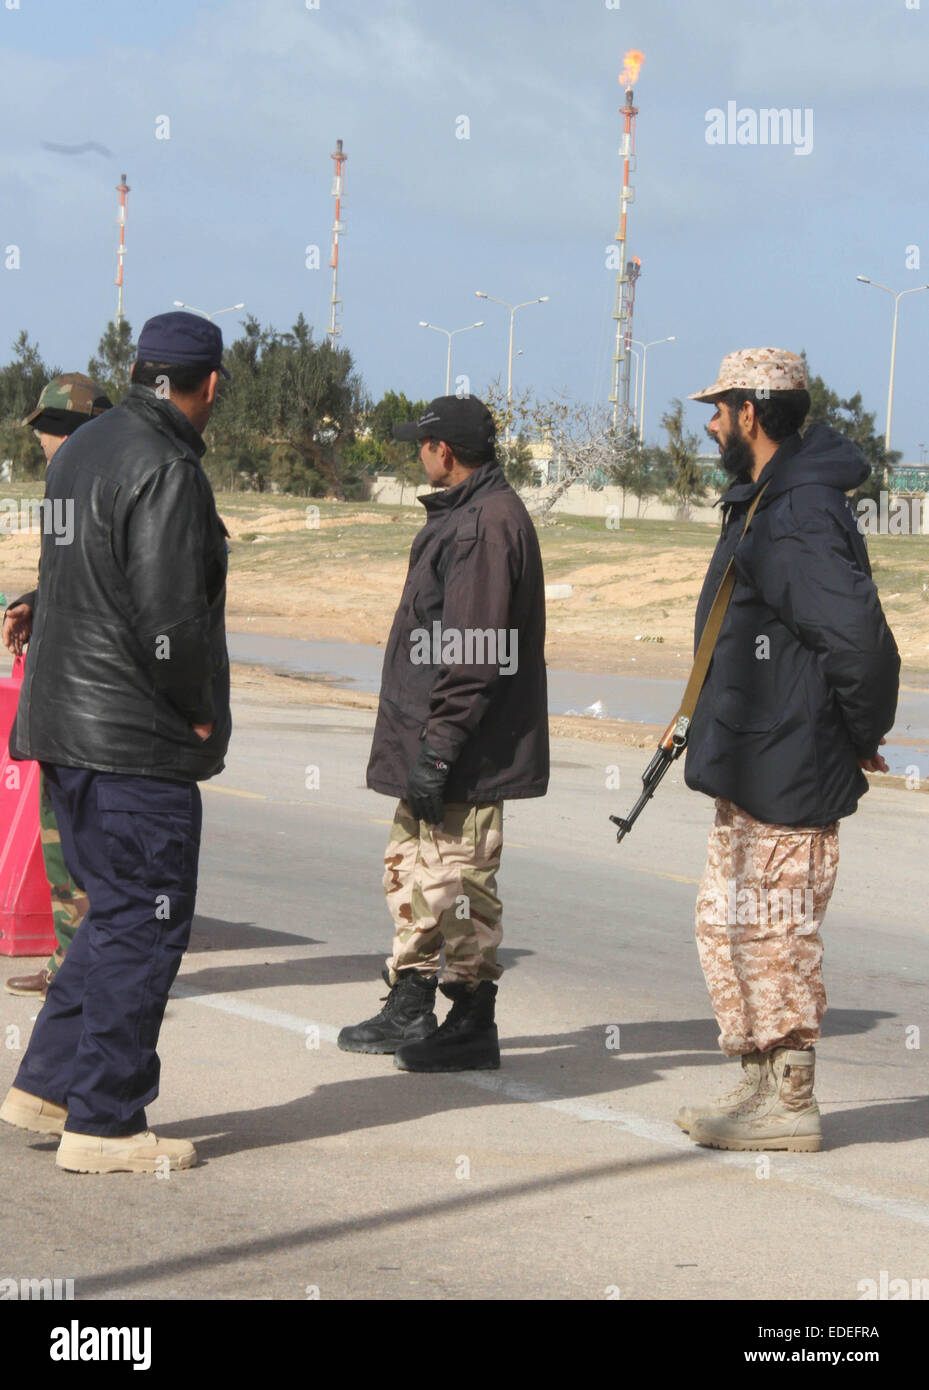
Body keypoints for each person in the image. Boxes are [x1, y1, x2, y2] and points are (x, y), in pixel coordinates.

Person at [0, 311, 232, 1173]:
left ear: (139, 372)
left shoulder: (83, 451)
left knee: (108, 917)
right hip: (134, 739)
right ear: (206, 386)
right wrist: (195, 707)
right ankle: (107, 1123)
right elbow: (167, 611)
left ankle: (48, 1087)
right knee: (145, 923)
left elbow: (76, 574)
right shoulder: (168, 467)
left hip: (64, 726)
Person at [678, 348, 899, 1152]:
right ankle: (754, 1083)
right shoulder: (765, 501)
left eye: (718, 407)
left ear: (752, 412)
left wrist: (859, 730)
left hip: (788, 761)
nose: (708, 423)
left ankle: (792, 1101)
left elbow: (860, 644)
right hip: (751, 754)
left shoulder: (799, 511)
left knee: (774, 927)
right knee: (725, 924)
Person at [338, 396, 549, 1071]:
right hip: (439, 739)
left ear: (444, 452)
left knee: (458, 889)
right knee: (415, 875)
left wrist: (439, 747)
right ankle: (409, 1002)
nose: (417, 455)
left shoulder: (483, 527)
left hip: (464, 748)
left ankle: (468, 1021)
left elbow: (474, 653)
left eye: (421, 446)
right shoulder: (468, 514)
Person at [3, 374, 112, 999]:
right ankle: (77, 963)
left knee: (74, 836)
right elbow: (80, 579)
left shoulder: (85, 483)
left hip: (85, 697)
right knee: (70, 836)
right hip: (80, 692)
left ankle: (81, 967)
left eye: (45, 428)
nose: (41, 440)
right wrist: (37, 603)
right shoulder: (82, 483)